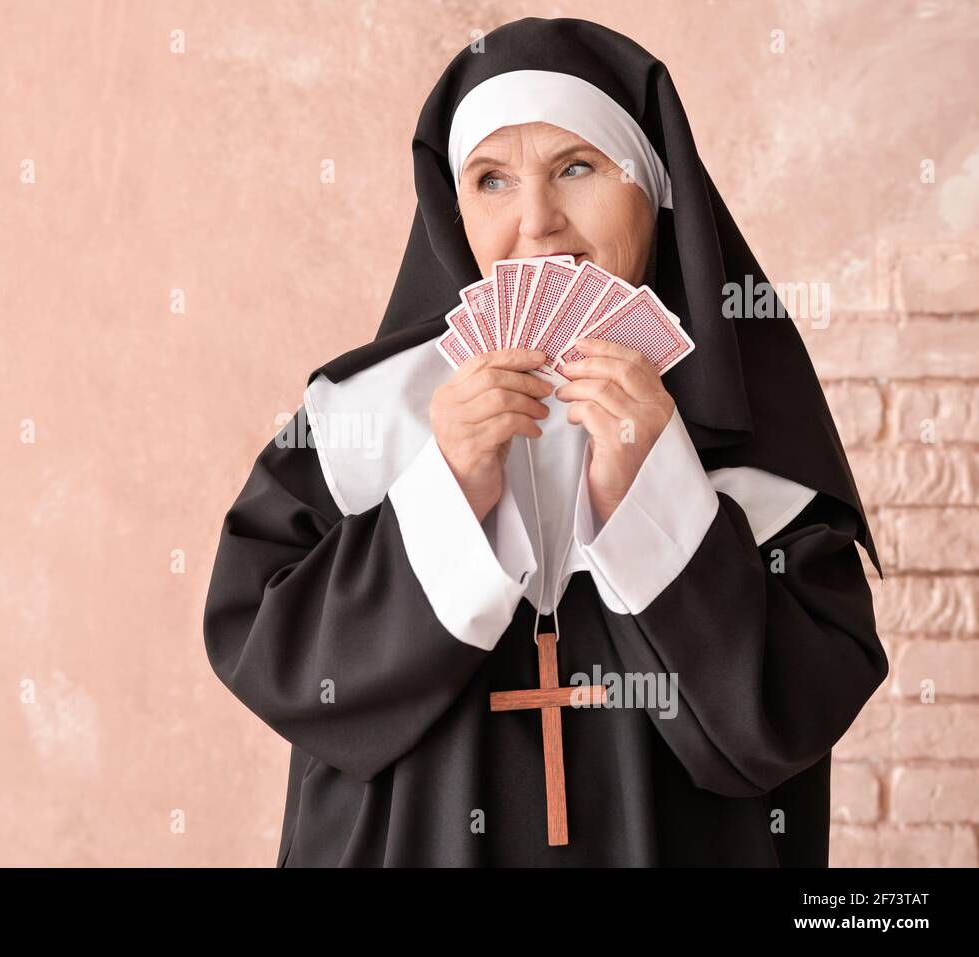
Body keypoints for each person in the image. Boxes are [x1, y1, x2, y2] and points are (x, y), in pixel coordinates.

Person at [202, 16, 887, 866]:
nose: (537, 222)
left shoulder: (751, 429)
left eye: (576, 168)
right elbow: (266, 651)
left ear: (655, 190)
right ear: (454, 214)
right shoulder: (363, 416)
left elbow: (786, 719)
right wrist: (442, 490)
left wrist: (657, 488)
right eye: (491, 180)